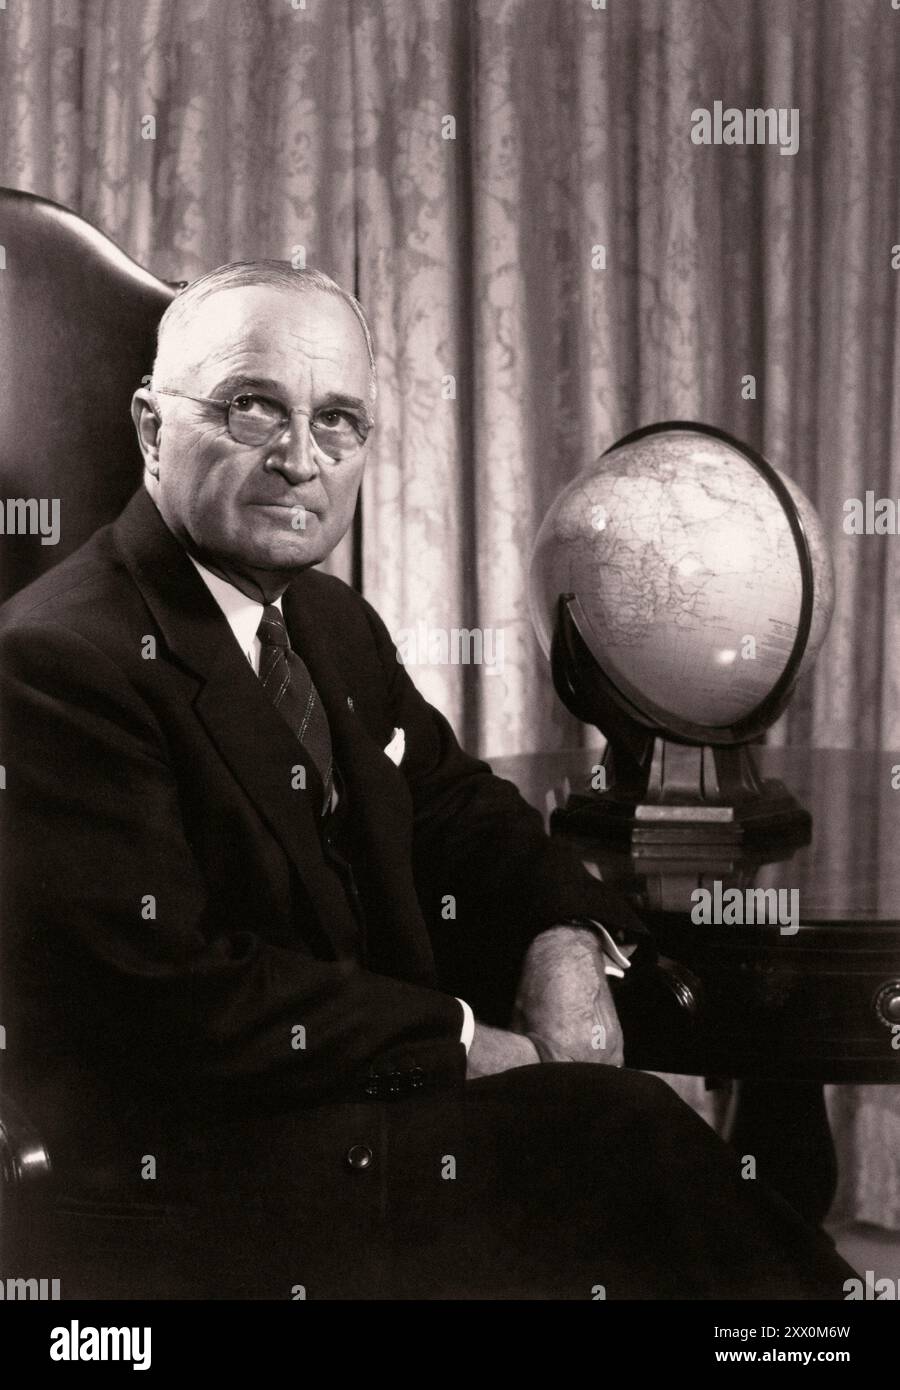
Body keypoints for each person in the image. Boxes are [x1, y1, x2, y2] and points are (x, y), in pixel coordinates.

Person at [0, 261, 855, 1300]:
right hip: (199, 1179)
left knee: (657, 1180)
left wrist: (563, 938)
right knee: (635, 1149)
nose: (299, 459)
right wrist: (464, 1042)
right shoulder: (57, 660)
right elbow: (175, 998)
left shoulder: (329, 624)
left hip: (366, 1126)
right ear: (149, 428)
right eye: (252, 408)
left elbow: (464, 810)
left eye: (339, 421)